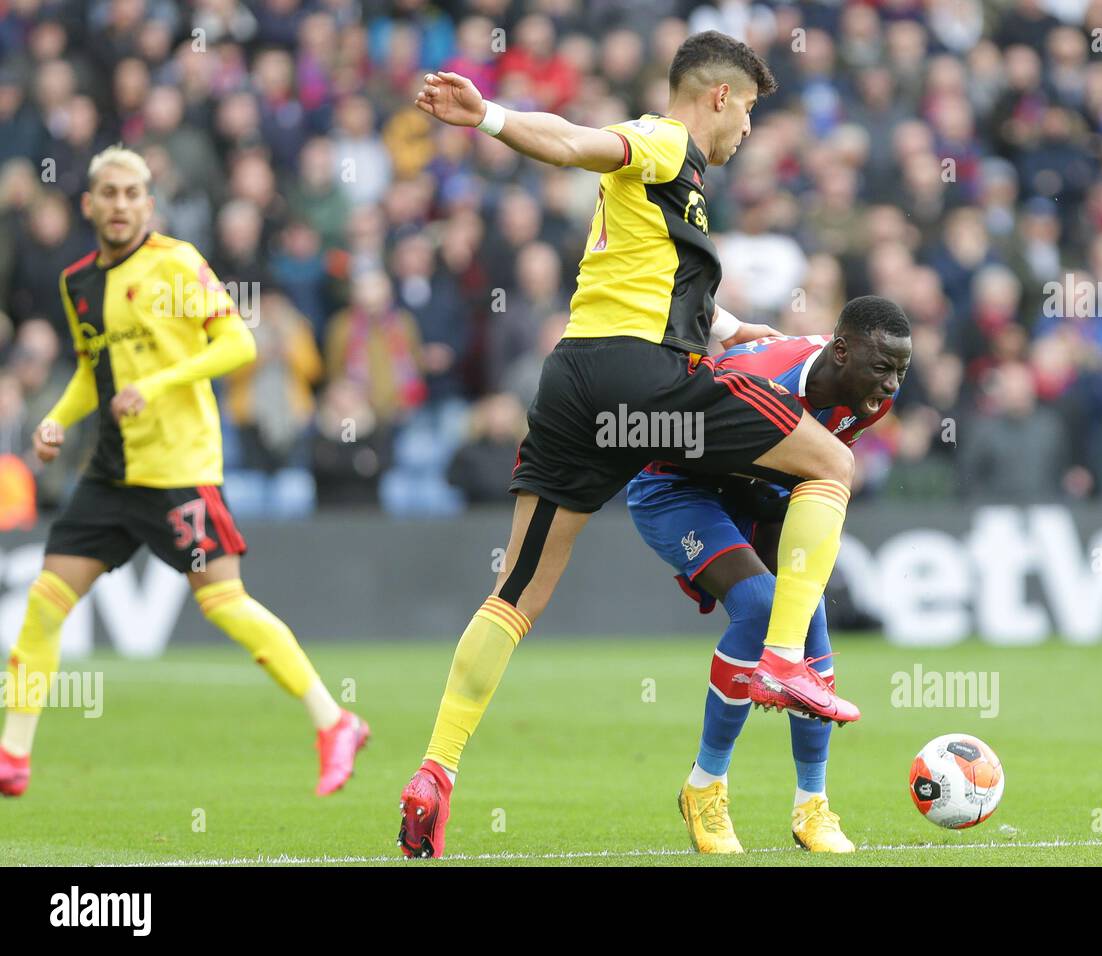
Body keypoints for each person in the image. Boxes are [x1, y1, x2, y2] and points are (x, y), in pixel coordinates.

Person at [399, 31, 862, 859]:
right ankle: (786, 658)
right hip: (644, 380)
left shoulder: (668, 187)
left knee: (518, 593)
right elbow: (579, 142)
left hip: (576, 384)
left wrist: (725, 325)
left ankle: (437, 768)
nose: (749, 129)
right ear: (718, 95)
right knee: (832, 461)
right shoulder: (664, 139)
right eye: (750, 109)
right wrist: (492, 117)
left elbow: (636, 275)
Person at [0, 146, 367, 799]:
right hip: (112, 471)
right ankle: (14, 754)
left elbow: (237, 343)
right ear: (88, 204)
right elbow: (93, 371)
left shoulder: (178, 263)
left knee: (225, 603)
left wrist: (158, 381)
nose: (119, 204)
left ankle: (334, 720)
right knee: (45, 601)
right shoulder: (77, 283)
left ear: (148, 201)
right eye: (107, 193)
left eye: (132, 193)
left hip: (179, 467)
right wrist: (55, 418)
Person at [627, 296, 911, 854]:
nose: (893, 385)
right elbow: (664, 436)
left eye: (902, 370)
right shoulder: (762, 379)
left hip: (758, 489)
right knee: (760, 610)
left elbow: (809, 471)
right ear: (841, 350)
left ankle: (812, 807)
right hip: (677, 487)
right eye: (883, 368)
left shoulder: (869, 399)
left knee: (806, 619)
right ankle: (704, 787)